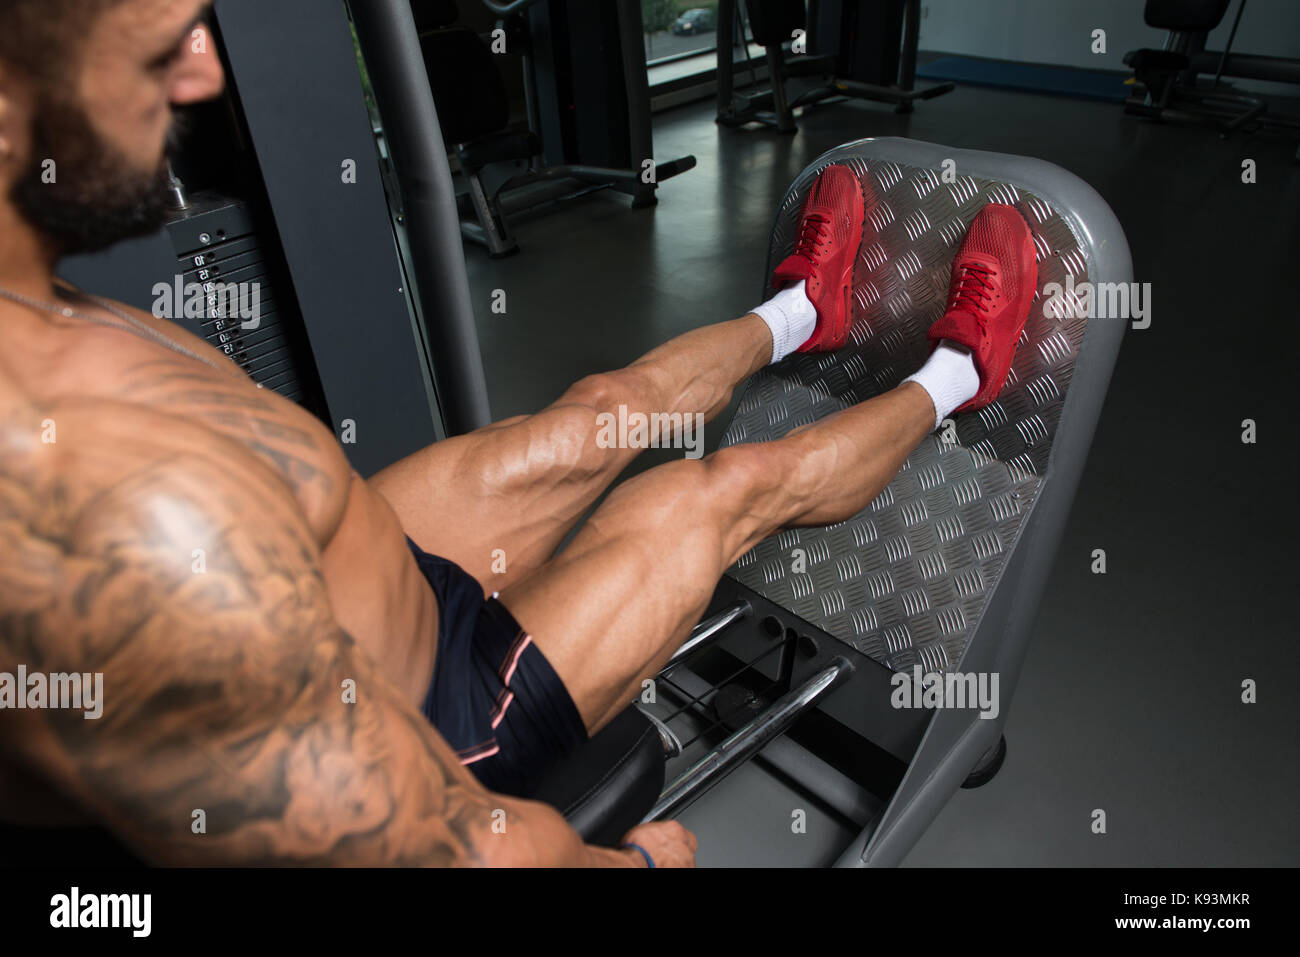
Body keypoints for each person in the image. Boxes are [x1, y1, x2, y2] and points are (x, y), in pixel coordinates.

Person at [0, 0, 1036, 867]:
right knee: (721, 491)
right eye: (158, 46)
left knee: (590, 420)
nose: (202, 72)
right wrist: (629, 863)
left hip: (367, 581)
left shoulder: (36, 303)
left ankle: (805, 313)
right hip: (437, 721)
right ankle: (961, 373)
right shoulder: (107, 525)